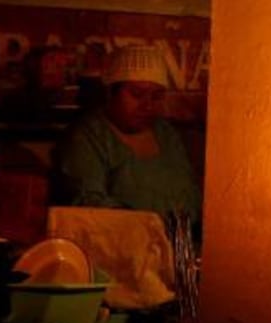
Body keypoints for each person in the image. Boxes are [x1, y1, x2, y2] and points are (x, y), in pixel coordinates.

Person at [52, 44, 202, 221]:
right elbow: (89, 203)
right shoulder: (88, 137)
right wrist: (146, 224)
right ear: (110, 93)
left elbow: (189, 194)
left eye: (156, 97)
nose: (147, 106)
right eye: (137, 94)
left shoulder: (165, 134)